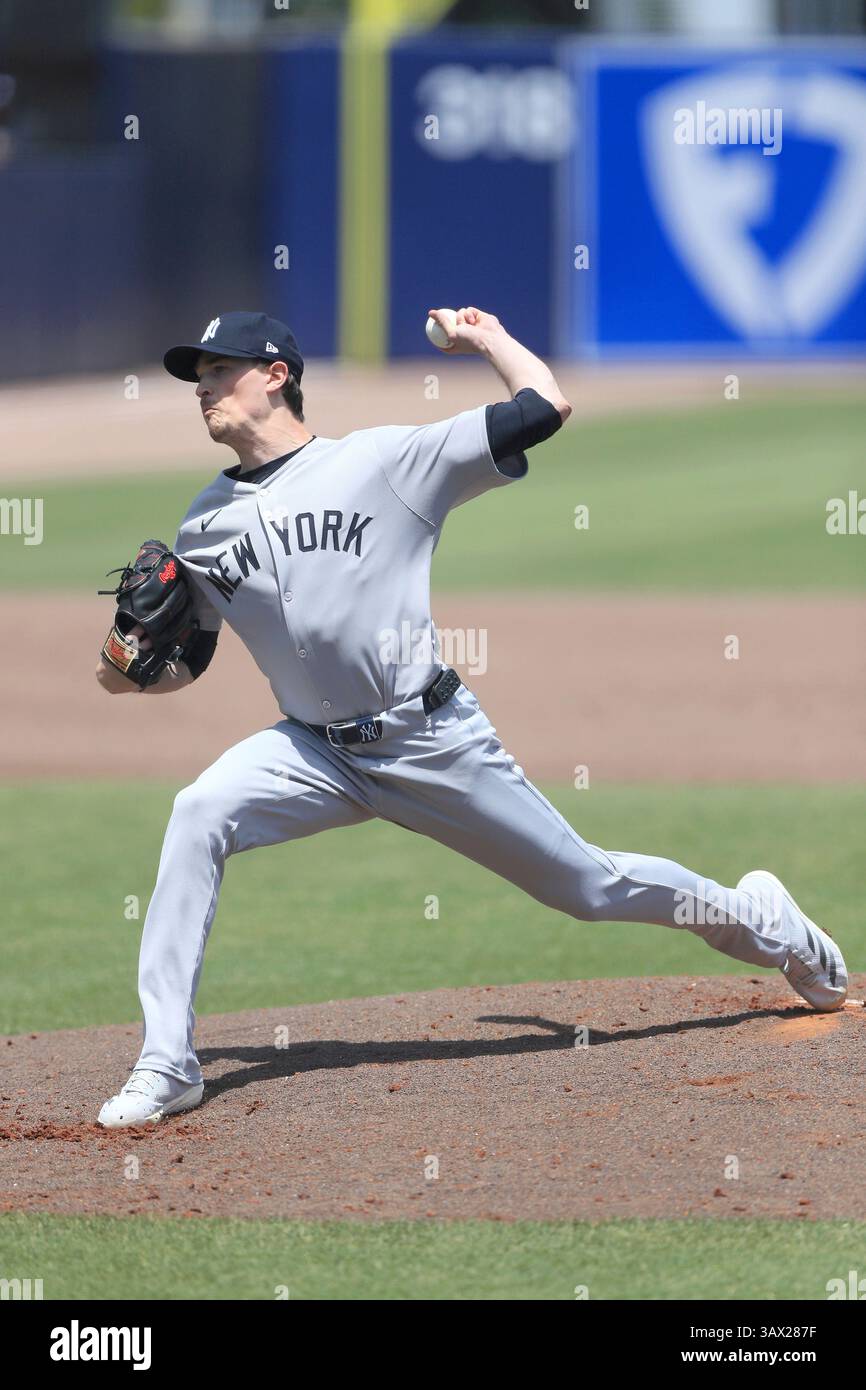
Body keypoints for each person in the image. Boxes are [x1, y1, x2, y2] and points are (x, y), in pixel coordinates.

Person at [95, 308, 847, 1128]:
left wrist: (485, 338)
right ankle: (167, 1062)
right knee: (199, 810)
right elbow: (174, 668)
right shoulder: (203, 524)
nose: (202, 387)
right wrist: (120, 658)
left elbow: (543, 409)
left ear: (276, 375)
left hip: (430, 741)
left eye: (219, 369)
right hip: (313, 753)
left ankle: (767, 923)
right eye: (195, 375)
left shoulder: (384, 462)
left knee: (590, 886)